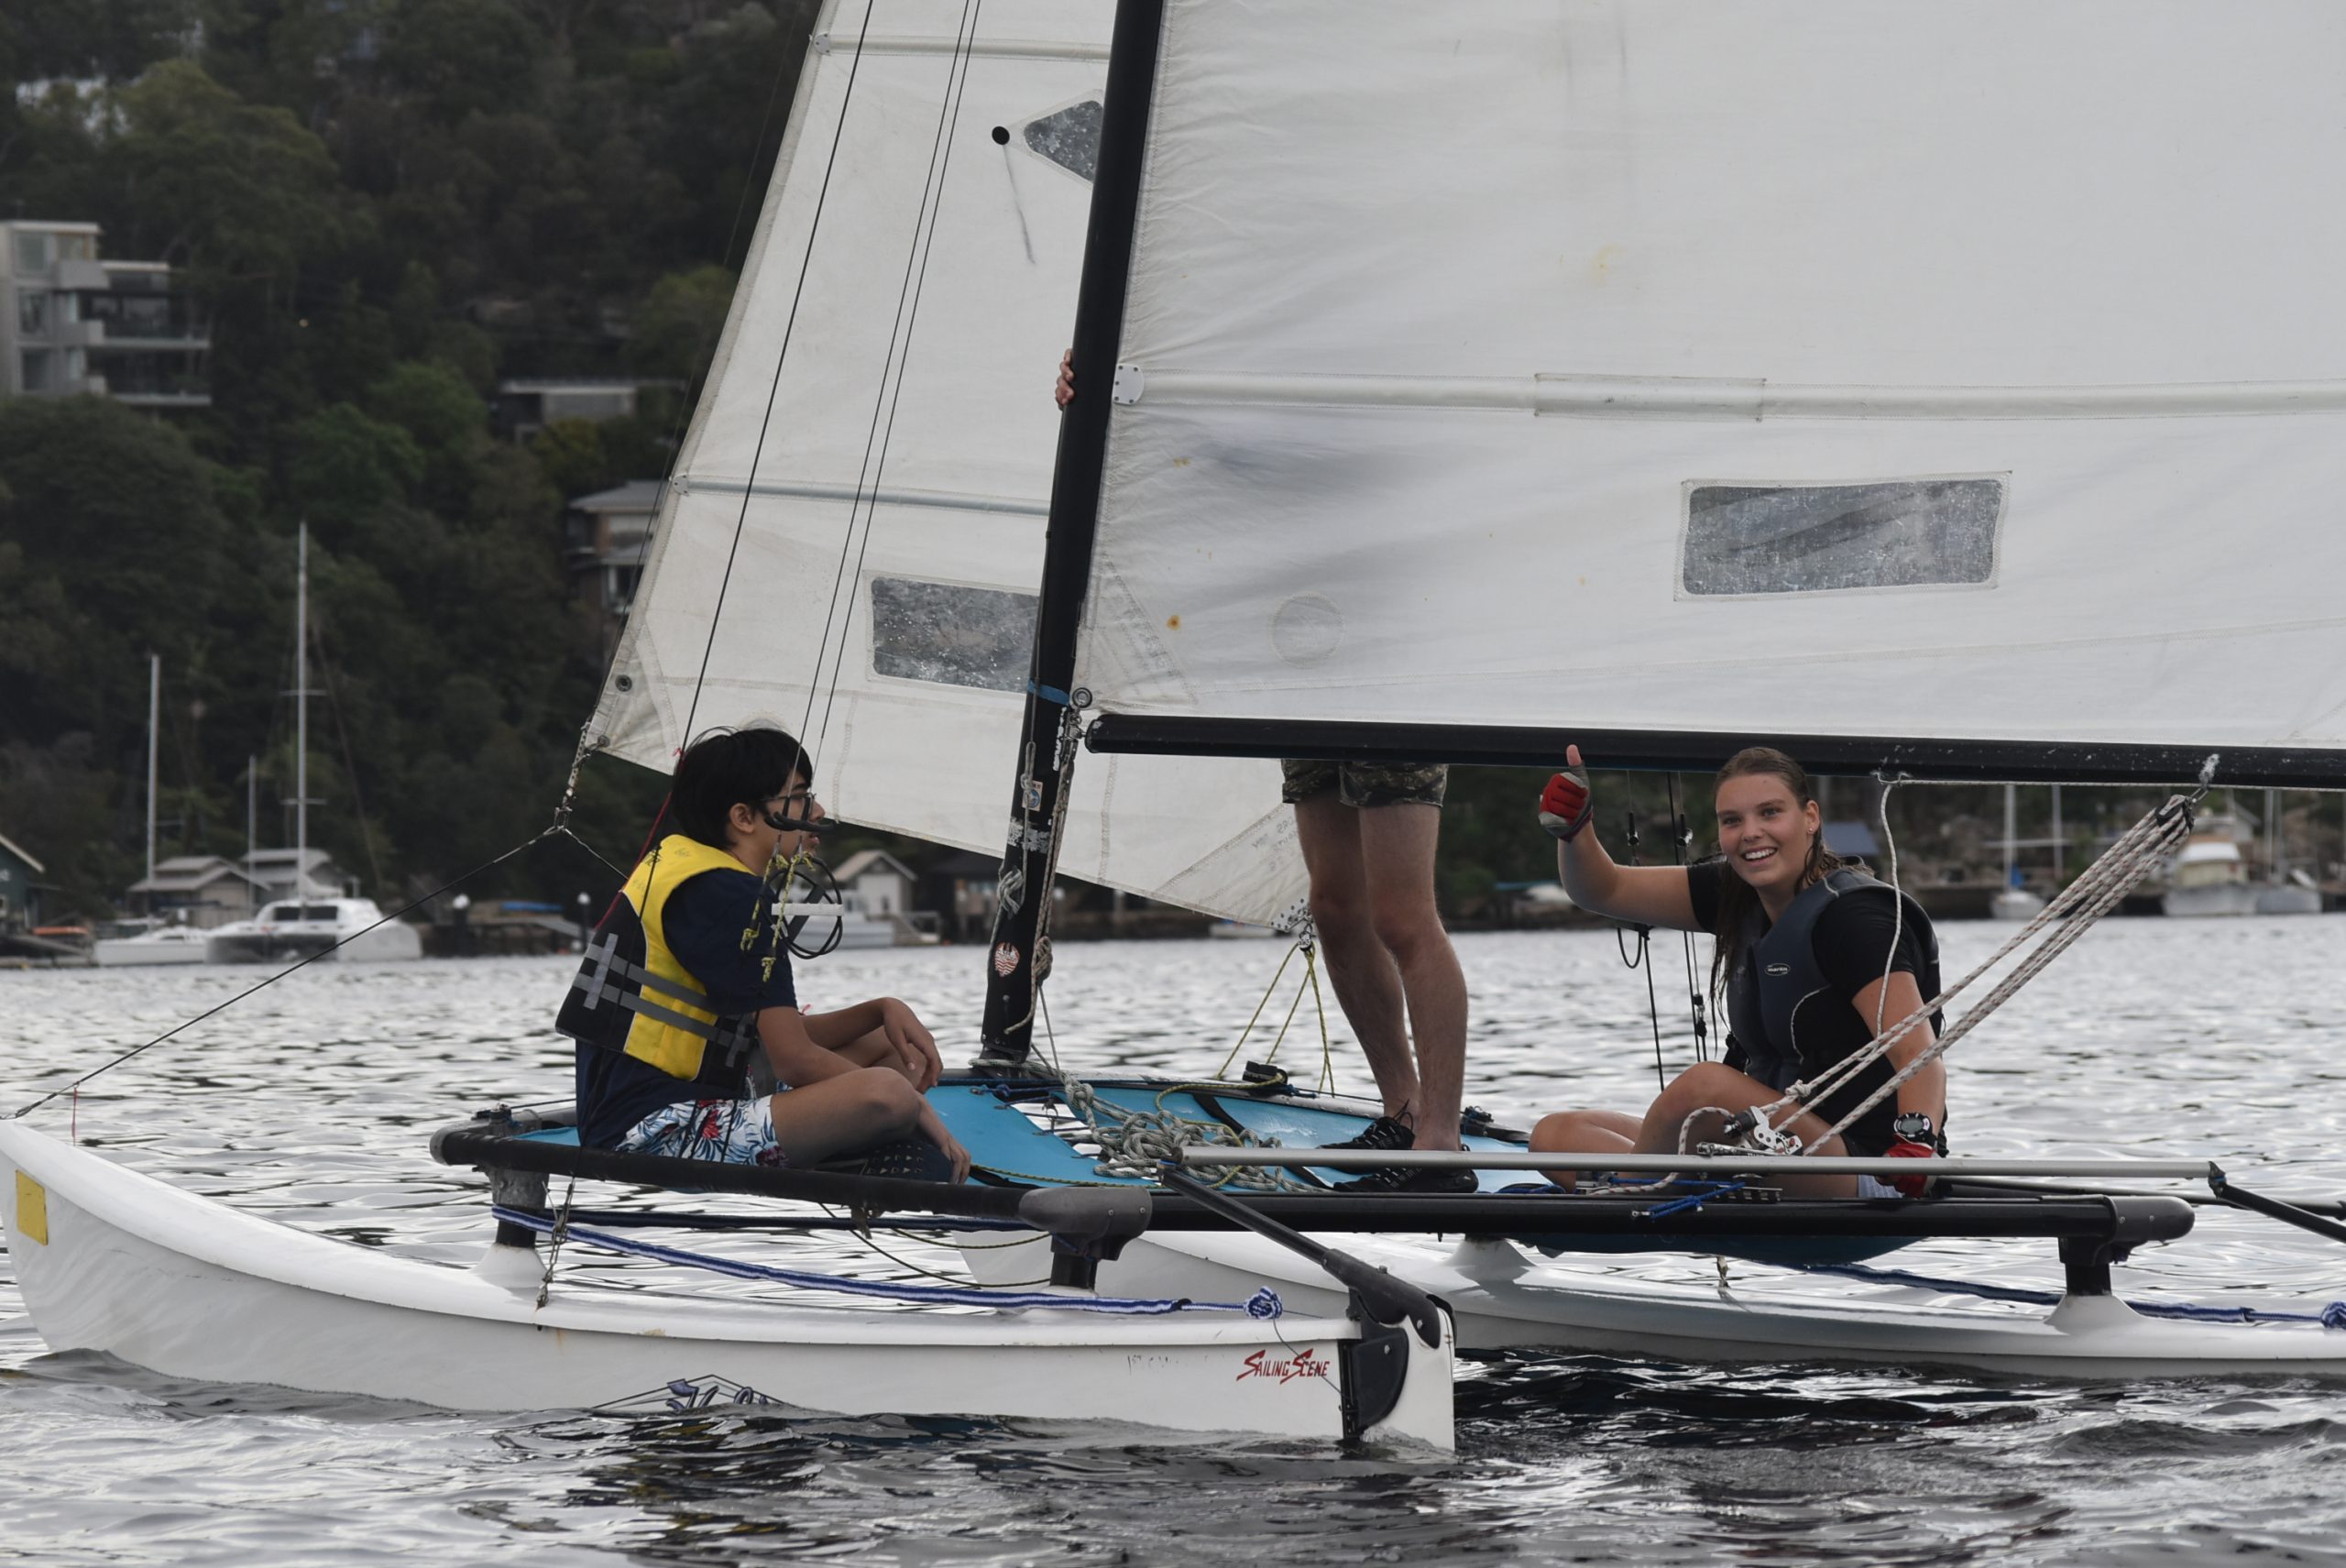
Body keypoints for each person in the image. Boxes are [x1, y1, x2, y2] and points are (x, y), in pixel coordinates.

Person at [1055, 352, 1471, 1192]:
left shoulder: (1383, 391)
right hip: (1309, 657)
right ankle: (1400, 1106)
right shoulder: (1267, 398)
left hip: (1397, 657)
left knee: (1401, 912)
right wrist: (1103, 394)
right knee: (1333, 904)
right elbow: (1205, 455)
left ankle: (1440, 1135)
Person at [1528, 744, 1946, 1199]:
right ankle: (1651, 1185)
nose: (1751, 833)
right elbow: (1604, 890)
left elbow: (1917, 1053)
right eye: (1733, 820)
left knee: (1703, 1085)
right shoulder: (1735, 890)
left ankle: (1630, 1195)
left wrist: (1916, 1144)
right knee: (1556, 1136)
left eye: (1770, 813)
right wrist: (1574, 831)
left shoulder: (1857, 919)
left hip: (1866, 1165)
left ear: (1810, 817)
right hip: (1762, 1142)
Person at [556, 726, 970, 1181]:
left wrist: (879, 1010)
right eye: (798, 797)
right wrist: (914, 1110)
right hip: (651, 1130)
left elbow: (777, 1037)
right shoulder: (731, 896)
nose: (816, 812)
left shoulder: (694, 870)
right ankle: (851, 1149)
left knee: (889, 1047)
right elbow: (795, 1059)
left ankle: (841, 1139)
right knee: (888, 1093)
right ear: (744, 817)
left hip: (683, 1100)